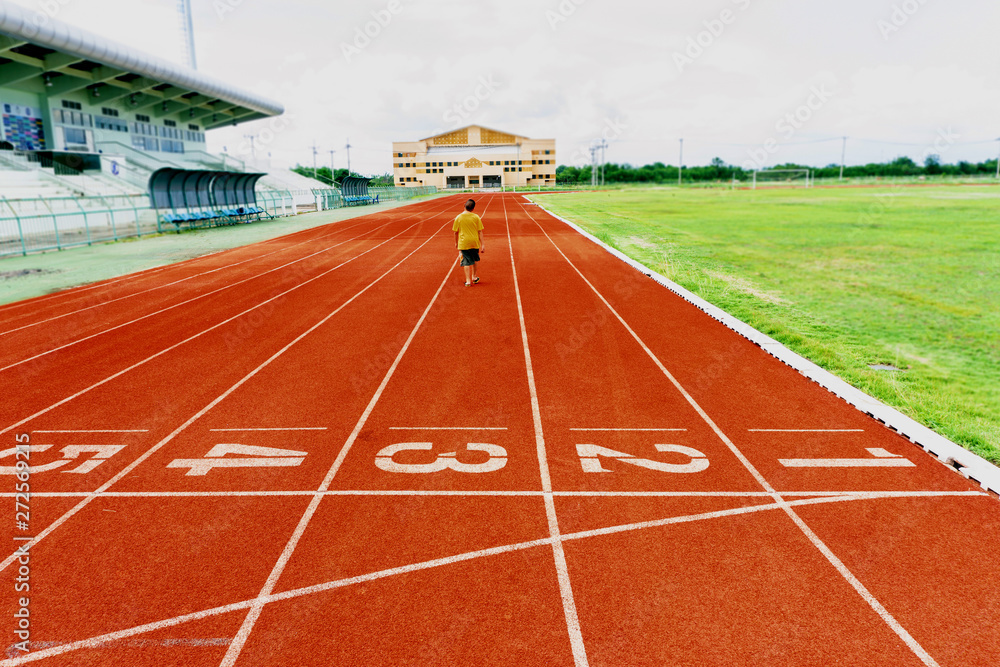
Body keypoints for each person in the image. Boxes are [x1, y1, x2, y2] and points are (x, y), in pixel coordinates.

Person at [453, 199, 484, 286]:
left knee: (466, 261)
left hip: (464, 243)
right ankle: (474, 276)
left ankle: (468, 281)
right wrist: (483, 244)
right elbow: (480, 231)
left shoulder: (458, 217)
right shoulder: (476, 217)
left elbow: (455, 232)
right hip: (474, 242)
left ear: (464, 205)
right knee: (474, 259)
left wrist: (456, 242)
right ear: (473, 208)